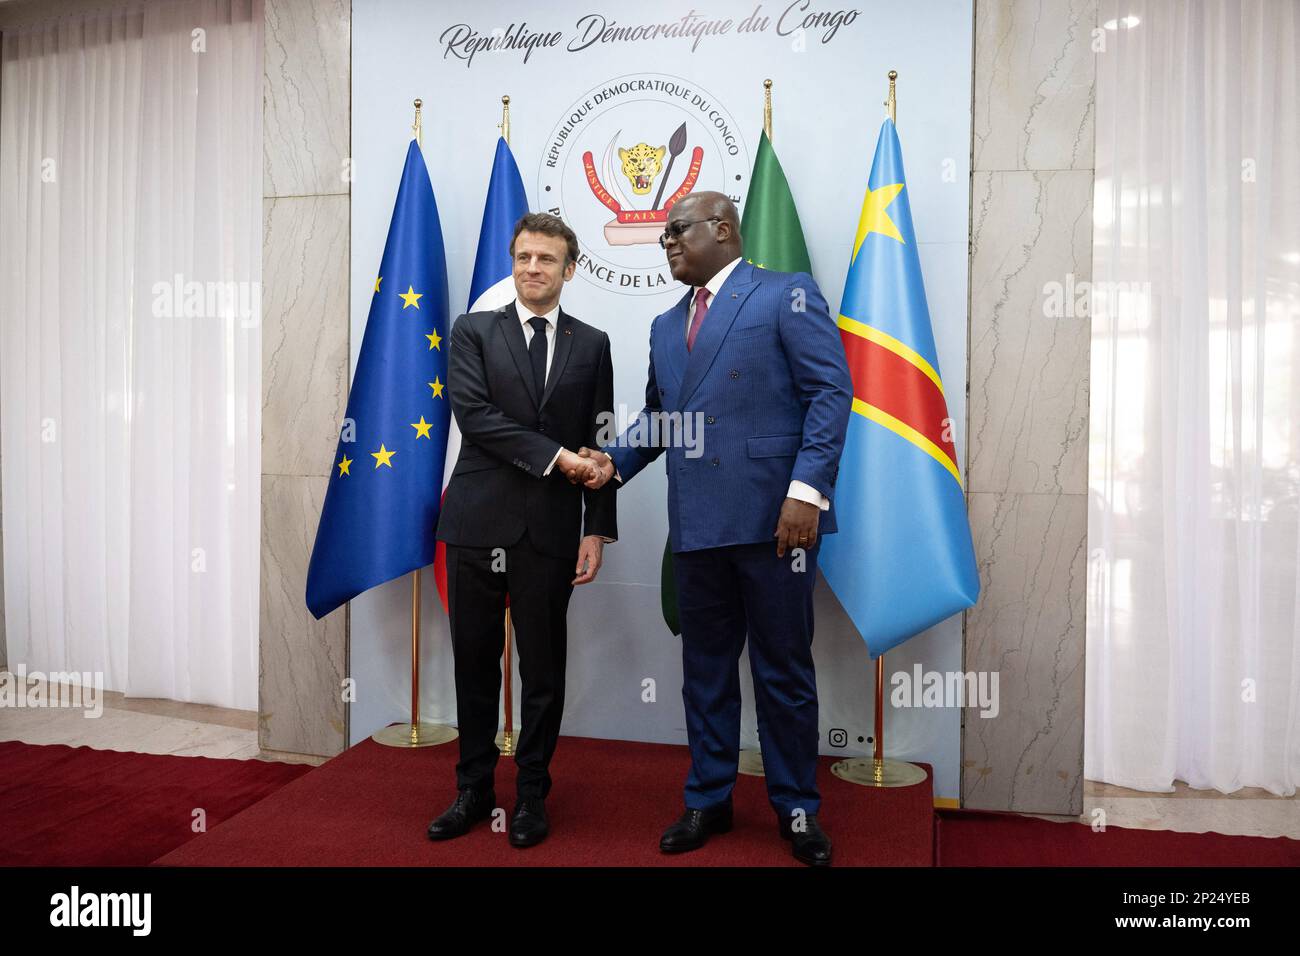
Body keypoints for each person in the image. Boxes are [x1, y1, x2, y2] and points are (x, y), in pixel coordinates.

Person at [581, 192, 851, 866]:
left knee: (783, 671)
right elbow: (660, 422)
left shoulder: (785, 294)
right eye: (663, 234)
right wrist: (609, 463)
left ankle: (795, 809)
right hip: (698, 525)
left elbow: (830, 392)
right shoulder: (666, 326)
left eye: (676, 231)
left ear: (722, 228)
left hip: (776, 524)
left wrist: (806, 493)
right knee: (704, 672)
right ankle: (708, 797)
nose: (666, 242)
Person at [428, 213, 616, 849]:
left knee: (544, 669)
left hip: (552, 530)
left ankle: (532, 791)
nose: (532, 268)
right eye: (523, 257)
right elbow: (476, 418)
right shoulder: (473, 330)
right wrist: (560, 459)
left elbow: (603, 438)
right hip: (478, 524)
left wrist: (599, 529)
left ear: (570, 268)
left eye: (546, 259)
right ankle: (472, 789)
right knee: (474, 664)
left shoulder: (593, 343)